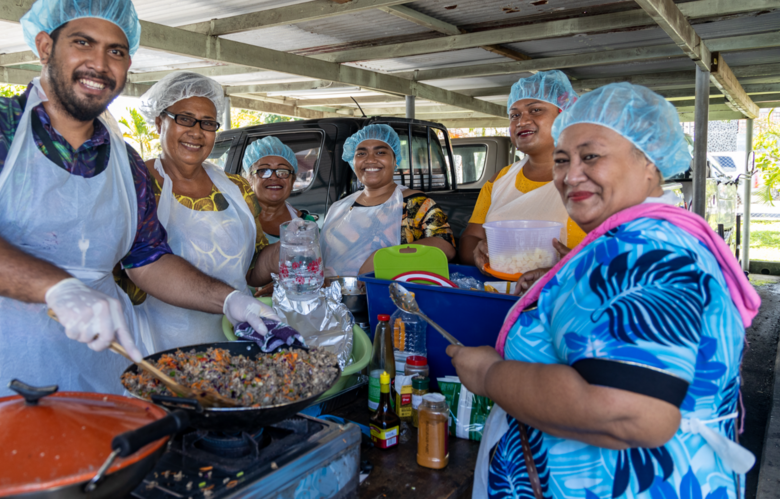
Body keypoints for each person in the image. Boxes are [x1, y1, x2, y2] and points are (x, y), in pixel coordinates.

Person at [0, 0, 275, 420]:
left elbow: (148, 261)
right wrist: (59, 287)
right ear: (44, 46)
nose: (100, 63)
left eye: (116, 51)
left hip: (95, 375)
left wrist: (233, 301)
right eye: (82, 42)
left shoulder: (125, 164)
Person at [447, 83, 760, 499]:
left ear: (650, 161)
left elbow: (629, 413)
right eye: (562, 160)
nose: (570, 175)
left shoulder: (649, 249)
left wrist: (490, 375)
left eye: (590, 156)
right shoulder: (629, 240)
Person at [122, 71, 279, 352]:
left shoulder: (237, 188)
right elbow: (132, 272)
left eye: (207, 123)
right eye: (184, 118)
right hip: (158, 345)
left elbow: (251, 271)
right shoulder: (137, 185)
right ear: (159, 122)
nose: (196, 131)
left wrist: (281, 255)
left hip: (234, 340)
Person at [457, 70, 585, 270]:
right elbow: (471, 238)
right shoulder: (499, 181)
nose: (521, 121)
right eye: (514, 115)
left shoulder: (591, 177)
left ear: (565, 116)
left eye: (535, 110)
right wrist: (480, 253)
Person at [320, 124, 455, 277]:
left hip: (392, 296)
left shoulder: (416, 204)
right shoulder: (339, 207)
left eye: (380, 152)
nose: (370, 160)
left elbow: (445, 247)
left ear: (395, 159)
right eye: (361, 153)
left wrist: (386, 257)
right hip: (337, 296)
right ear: (353, 160)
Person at [242, 136, 314, 244]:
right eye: (264, 170)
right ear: (249, 180)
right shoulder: (236, 219)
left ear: (292, 180)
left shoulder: (307, 225)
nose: (274, 177)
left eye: (283, 171)